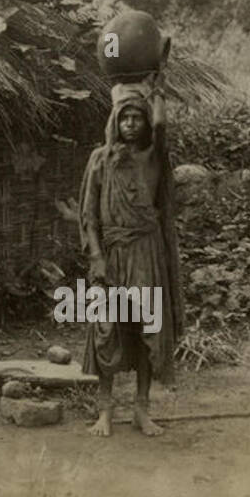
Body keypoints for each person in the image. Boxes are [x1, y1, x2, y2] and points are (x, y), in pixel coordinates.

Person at [78, 80, 183, 437]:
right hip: (110, 254)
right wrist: (96, 257)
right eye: (125, 117)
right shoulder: (100, 159)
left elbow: (162, 127)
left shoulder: (154, 157)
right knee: (107, 331)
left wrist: (158, 86)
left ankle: (141, 410)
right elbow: (88, 215)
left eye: (138, 117)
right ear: (114, 121)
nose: (132, 124)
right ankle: (104, 412)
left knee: (146, 331)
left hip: (146, 253)